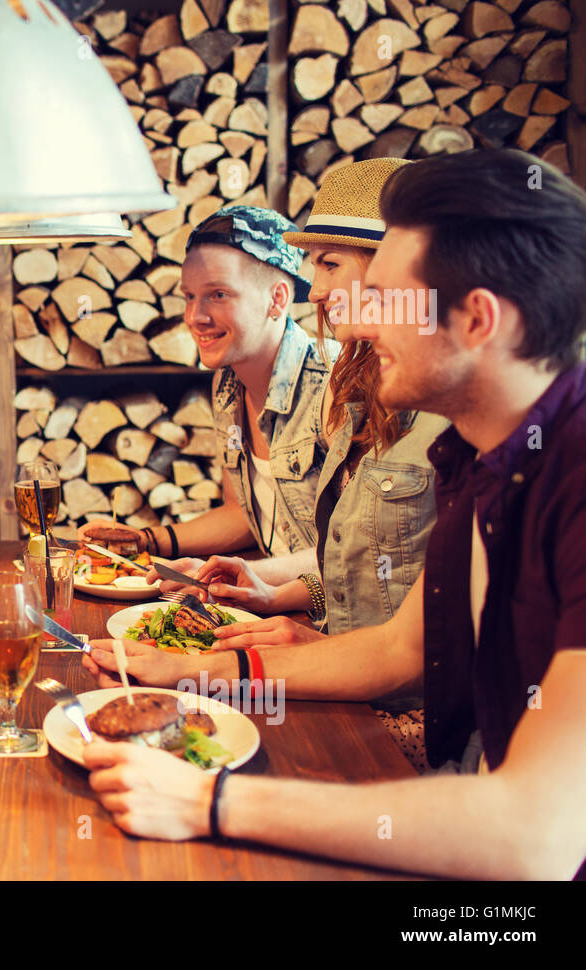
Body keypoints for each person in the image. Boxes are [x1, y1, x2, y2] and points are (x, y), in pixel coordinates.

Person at [80, 149, 586, 879]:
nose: (356, 324)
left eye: (383, 299)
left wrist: (209, 802)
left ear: (477, 319)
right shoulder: (482, 462)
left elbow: (536, 833)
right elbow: (394, 650)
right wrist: (196, 670)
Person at [161, 161, 452, 771]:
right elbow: (364, 568)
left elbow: (411, 639)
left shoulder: (454, 419)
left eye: (328, 264)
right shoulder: (357, 387)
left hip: (399, 713)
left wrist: (214, 666)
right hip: (339, 663)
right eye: (190, 297)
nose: (313, 292)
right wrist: (275, 593)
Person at [80, 205, 337, 586]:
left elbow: (356, 554)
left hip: (323, 617)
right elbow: (243, 516)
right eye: (189, 296)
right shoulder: (228, 383)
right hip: (270, 601)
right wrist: (146, 540)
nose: (195, 316)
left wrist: (236, 577)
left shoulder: (335, 383)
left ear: (278, 300)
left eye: (218, 294)